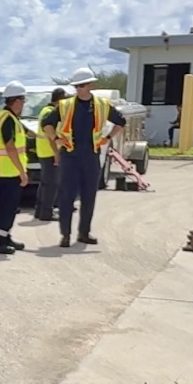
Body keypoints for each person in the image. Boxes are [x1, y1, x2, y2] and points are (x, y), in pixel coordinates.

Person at [46, 67, 124, 248]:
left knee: (89, 196)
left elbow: (120, 121)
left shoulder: (102, 105)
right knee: (66, 197)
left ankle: (84, 233)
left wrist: (108, 138)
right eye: (77, 86)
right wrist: (56, 139)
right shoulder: (65, 105)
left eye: (82, 85)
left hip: (91, 155)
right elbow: (47, 124)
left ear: (90, 85)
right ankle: (65, 235)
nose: (79, 89)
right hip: (70, 156)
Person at [0, 82, 31, 255]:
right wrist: (22, 171)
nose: (24, 103)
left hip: (6, 171)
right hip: (8, 172)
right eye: (23, 100)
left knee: (9, 208)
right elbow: (10, 147)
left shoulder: (6, 117)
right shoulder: (8, 119)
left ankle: (5, 236)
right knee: (5, 208)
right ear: (17, 100)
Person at [34, 87, 68, 223]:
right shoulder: (51, 113)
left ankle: (39, 210)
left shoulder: (44, 110)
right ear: (60, 99)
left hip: (43, 151)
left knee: (45, 183)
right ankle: (46, 212)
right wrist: (56, 153)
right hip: (49, 151)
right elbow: (50, 135)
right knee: (51, 184)